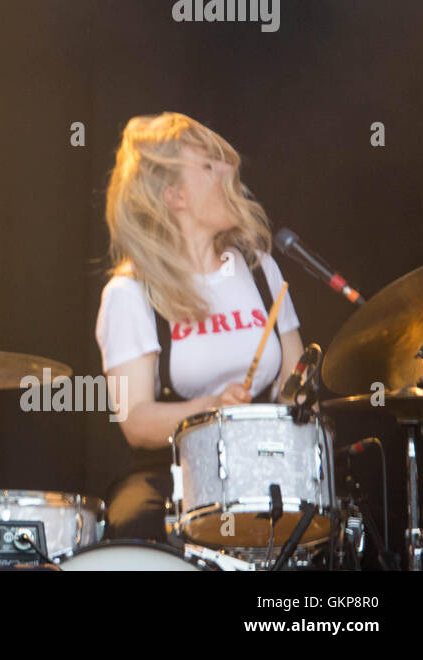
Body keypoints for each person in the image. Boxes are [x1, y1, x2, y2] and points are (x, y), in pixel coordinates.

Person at [95, 113, 304, 544]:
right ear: (174, 196)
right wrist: (213, 410)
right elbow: (136, 421)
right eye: (208, 167)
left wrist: (299, 405)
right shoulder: (130, 292)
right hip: (171, 472)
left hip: (267, 460)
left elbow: (294, 380)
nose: (231, 170)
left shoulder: (259, 269)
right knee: (134, 525)